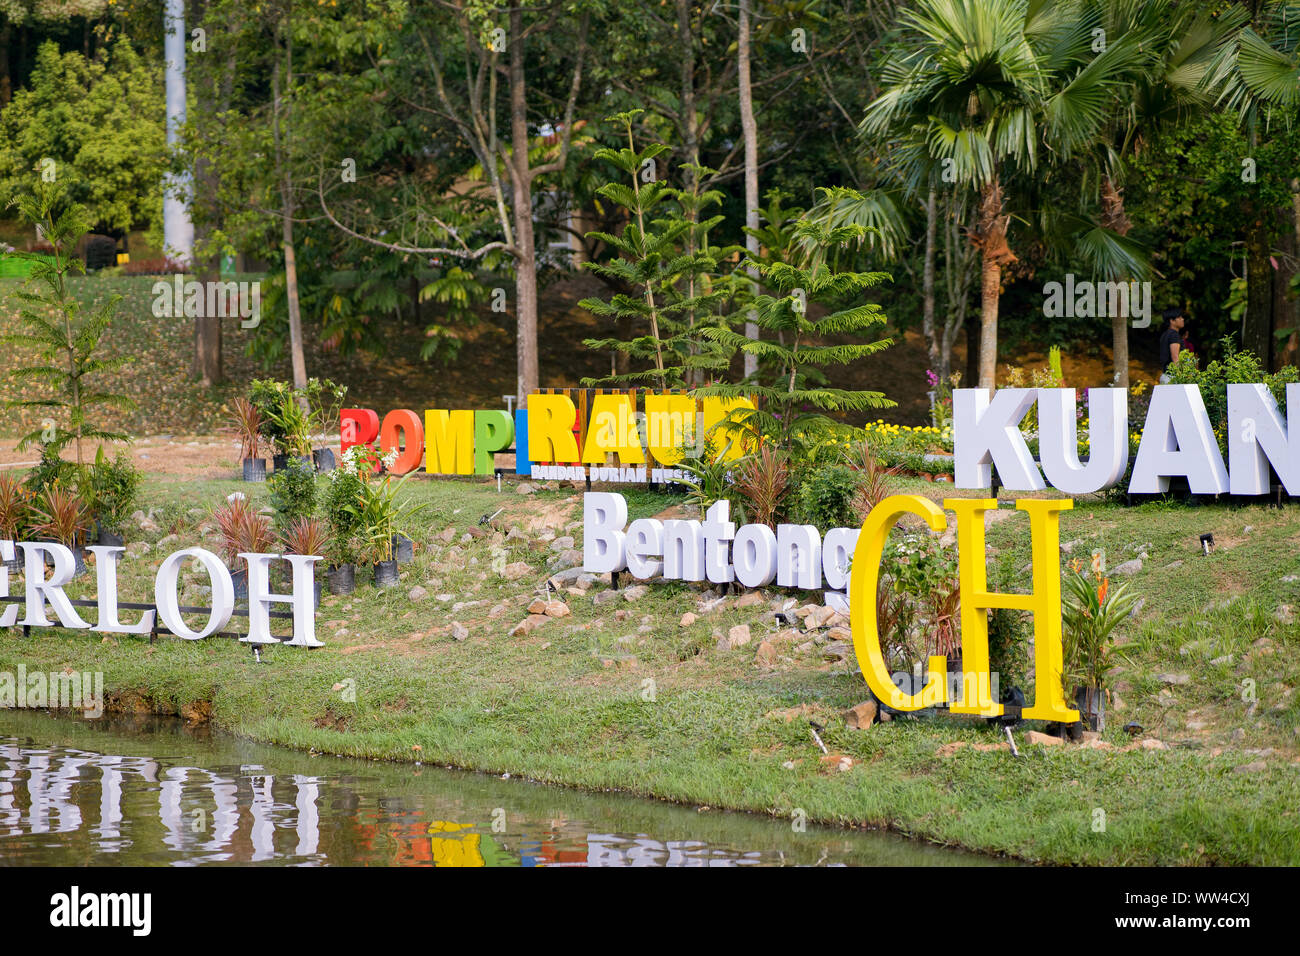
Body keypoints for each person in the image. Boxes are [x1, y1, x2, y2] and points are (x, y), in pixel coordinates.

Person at [1158, 308, 1186, 383]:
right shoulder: (1174, 335)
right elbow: (1175, 357)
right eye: (1179, 317)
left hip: (1165, 375)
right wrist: (1182, 375)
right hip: (1173, 377)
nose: (1182, 319)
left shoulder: (1165, 334)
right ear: (1172, 321)